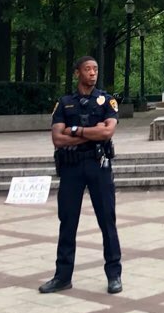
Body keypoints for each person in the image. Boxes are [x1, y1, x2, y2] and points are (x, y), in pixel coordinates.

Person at [40, 56, 122, 295]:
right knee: (68, 222)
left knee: (107, 221)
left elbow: (107, 132)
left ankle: (114, 275)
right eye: (87, 69)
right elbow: (57, 139)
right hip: (72, 168)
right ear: (77, 73)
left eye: (95, 69)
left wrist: (75, 130)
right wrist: (91, 133)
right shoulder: (64, 103)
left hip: (98, 165)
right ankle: (62, 277)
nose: (93, 73)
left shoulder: (106, 100)